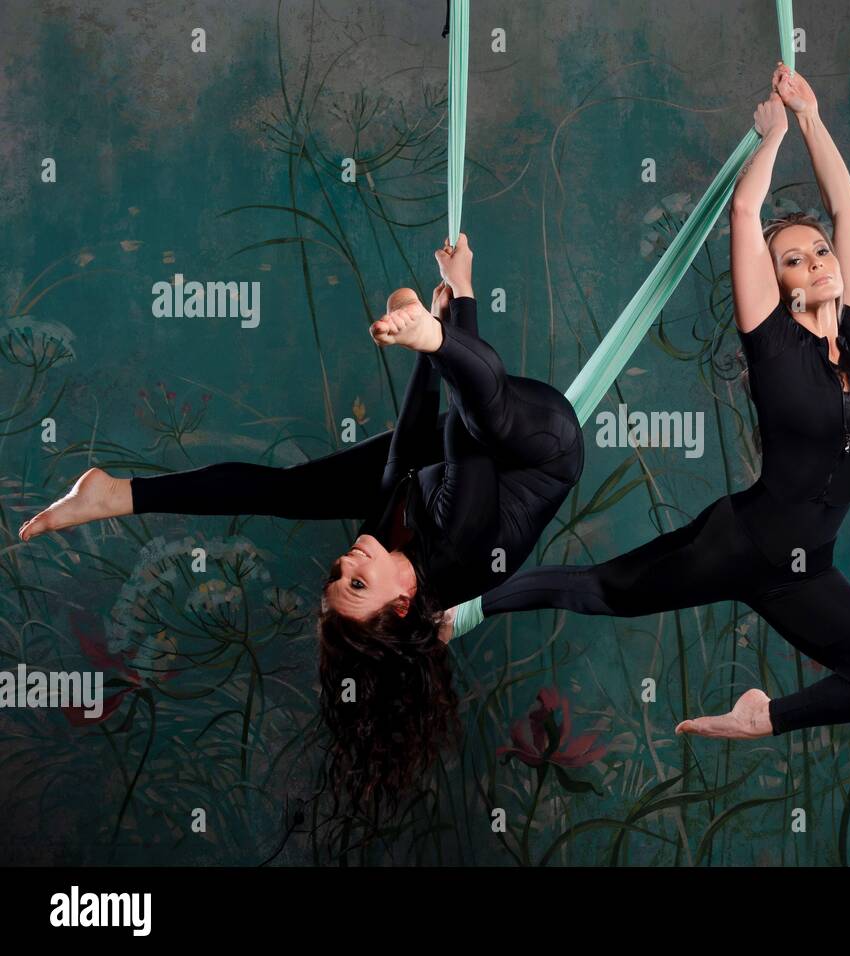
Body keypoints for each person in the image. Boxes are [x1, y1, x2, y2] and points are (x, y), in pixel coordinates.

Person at [444, 64, 850, 740]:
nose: (817, 260)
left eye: (819, 251)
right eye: (794, 260)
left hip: (805, 571)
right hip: (734, 544)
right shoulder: (772, 341)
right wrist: (771, 138)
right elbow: (745, 212)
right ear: (779, 285)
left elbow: (844, 208)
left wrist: (812, 117)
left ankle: (761, 718)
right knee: (603, 589)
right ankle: (465, 611)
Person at [18, 234, 585, 809]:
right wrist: (457, 303)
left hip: (445, 455)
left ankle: (115, 494)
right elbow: (464, 432)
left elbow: (410, 443)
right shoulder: (461, 551)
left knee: (292, 490)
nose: (347, 560)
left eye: (336, 574)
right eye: (356, 581)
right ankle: (444, 330)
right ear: (404, 602)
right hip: (537, 446)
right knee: (486, 420)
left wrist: (422, 338)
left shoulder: (385, 545)